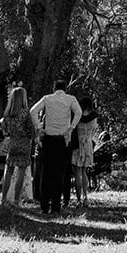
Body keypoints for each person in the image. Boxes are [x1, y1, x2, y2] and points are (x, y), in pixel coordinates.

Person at [31, 79, 81, 215]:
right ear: (65, 89)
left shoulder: (47, 99)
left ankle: (44, 205)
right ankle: (56, 206)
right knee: (59, 174)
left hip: (48, 138)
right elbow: (78, 112)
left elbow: (33, 111)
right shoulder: (70, 99)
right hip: (62, 139)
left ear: (54, 89)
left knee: (46, 173)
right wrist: (71, 127)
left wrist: (38, 127)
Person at [0, 86, 34, 204]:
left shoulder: (8, 113)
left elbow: (4, 130)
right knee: (21, 171)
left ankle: (3, 198)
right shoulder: (25, 113)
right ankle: (16, 199)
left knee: (9, 171)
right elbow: (31, 131)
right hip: (24, 144)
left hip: (12, 143)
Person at [73, 95, 99, 208]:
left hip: (77, 144)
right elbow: (93, 131)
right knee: (84, 171)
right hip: (88, 143)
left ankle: (78, 199)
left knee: (77, 172)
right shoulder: (94, 117)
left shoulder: (77, 115)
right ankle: (85, 197)